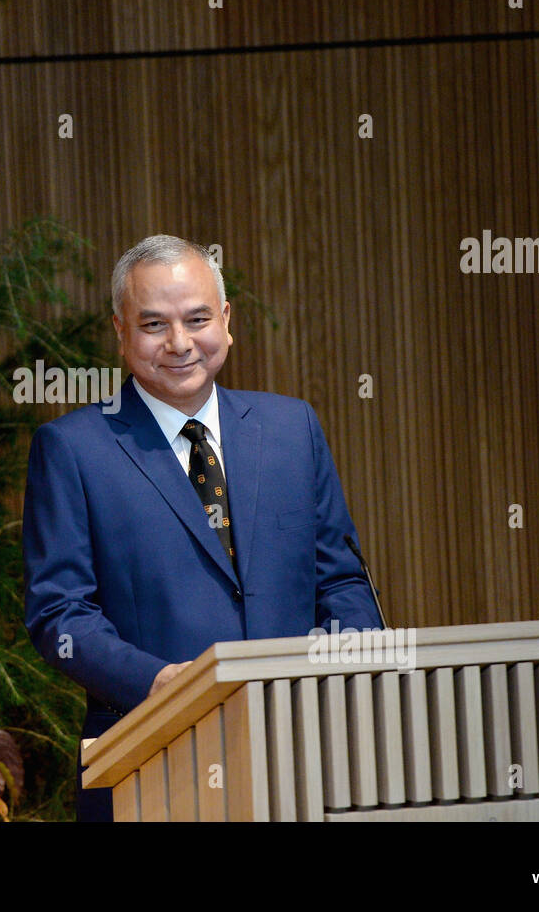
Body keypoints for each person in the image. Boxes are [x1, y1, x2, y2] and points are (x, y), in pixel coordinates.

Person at [21, 234, 383, 822]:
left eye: (197, 319)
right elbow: (58, 614)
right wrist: (160, 681)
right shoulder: (74, 449)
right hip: (152, 758)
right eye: (154, 325)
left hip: (304, 756)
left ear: (227, 320)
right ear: (120, 330)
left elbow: (342, 580)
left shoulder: (293, 428)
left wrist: (332, 664)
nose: (180, 343)